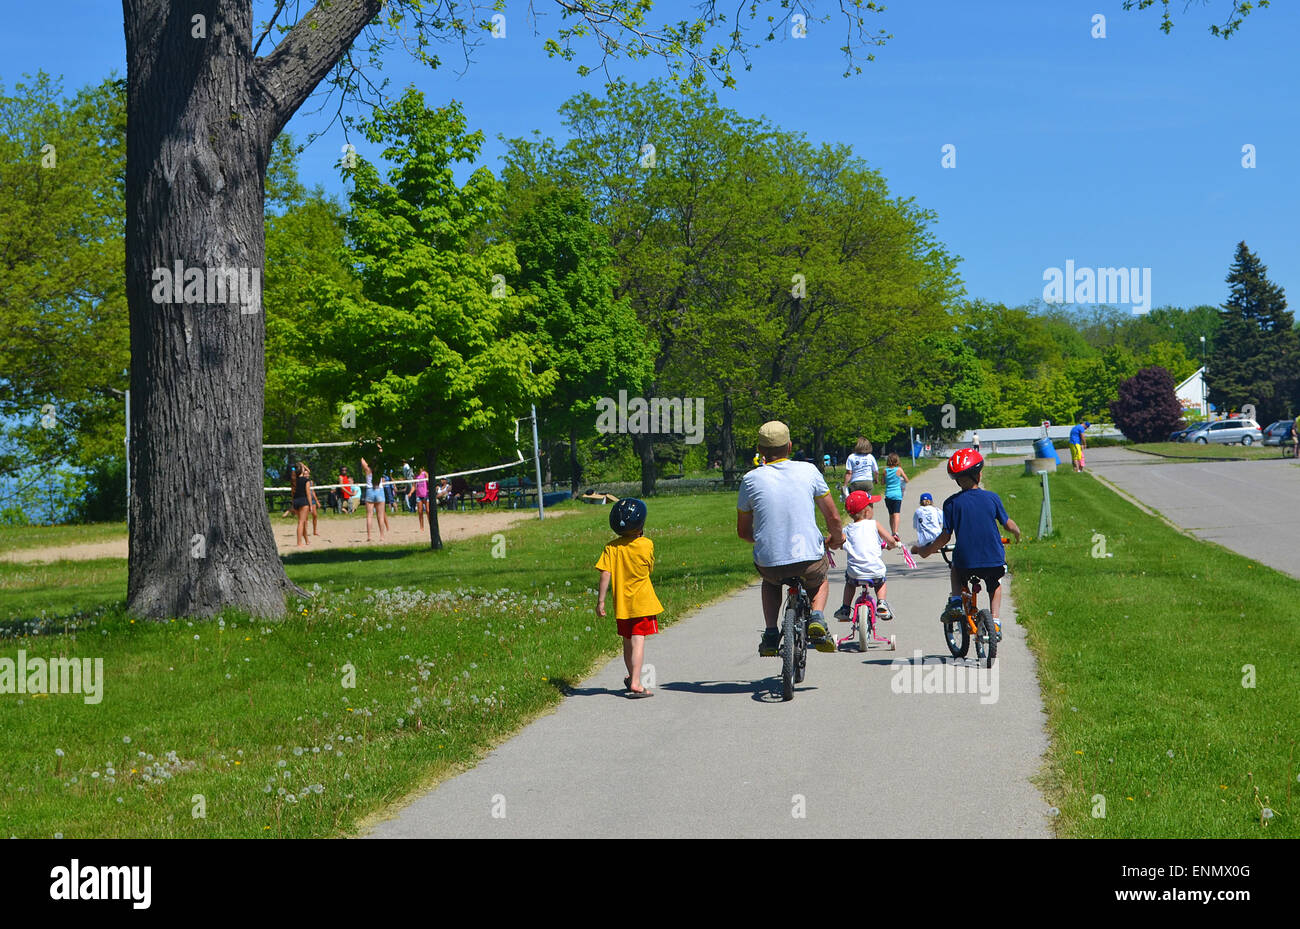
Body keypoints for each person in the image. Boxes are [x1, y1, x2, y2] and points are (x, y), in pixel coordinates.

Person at [738, 420, 845, 656]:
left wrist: (765, 541)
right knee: (820, 579)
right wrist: (836, 538)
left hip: (770, 561)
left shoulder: (750, 480)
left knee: (771, 582)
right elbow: (833, 517)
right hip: (807, 558)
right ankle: (817, 616)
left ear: (761, 450)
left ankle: (770, 632)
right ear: (789, 446)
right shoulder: (808, 471)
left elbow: (743, 532)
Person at [911, 449, 1021, 642]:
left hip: (966, 561)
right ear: (978, 474)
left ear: (957, 480)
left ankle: (955, 601)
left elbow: (945, 536)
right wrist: (1016, 533)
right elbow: (1007, 524)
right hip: (994, 558)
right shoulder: (992, 498)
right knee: (994, 585)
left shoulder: (950, 503)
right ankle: (995, 621)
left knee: (955, 569)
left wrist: (927, 551)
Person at [595, 498, 662, 698]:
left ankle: (631, 676)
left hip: (622, 605)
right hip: (642, 603)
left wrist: (601, 602)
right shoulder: (646, 544)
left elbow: (605, 574)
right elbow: (649, 569)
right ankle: (635, 682)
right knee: (638, 641)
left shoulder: (611, 548)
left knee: (626, 641)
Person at [834, 490, 899, 623]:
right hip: (874, 572)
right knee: (881, 581)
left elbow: (840, 544)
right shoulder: (874, 524)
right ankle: (881, 603)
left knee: (849, 583)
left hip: (855, 574)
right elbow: (890, 541)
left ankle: (845, 608)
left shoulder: (847, 529)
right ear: (867, 511)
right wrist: (893, 544)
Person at [881, 452, 909, 537]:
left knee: (891, 514)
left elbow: (882, 483)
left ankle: (892, 530)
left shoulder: (885, 471)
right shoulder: (899, 470)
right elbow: (906, 479)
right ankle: (895, 532)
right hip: (897, 495)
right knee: (896, 514)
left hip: (888, 495)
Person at [360, 457, 385, 542]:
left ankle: (369, 536)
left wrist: (361, 447)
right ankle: (382, 536)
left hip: (370, 491)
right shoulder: (380, 469)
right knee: (380, 516)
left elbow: (362, 460)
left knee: (369, 515)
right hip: (379, 491)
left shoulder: (367, 469)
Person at [291, 461, 313, 547]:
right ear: (302, 470)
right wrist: (311, 505)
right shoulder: (306, 480)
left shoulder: (294, 480)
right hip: (303, 501)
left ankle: (307, 540)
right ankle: (299, 543)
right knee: (301, 522)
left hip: (296, 501)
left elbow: (292, 494)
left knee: (302, 522)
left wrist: (301, 466)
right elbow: (308, 494)